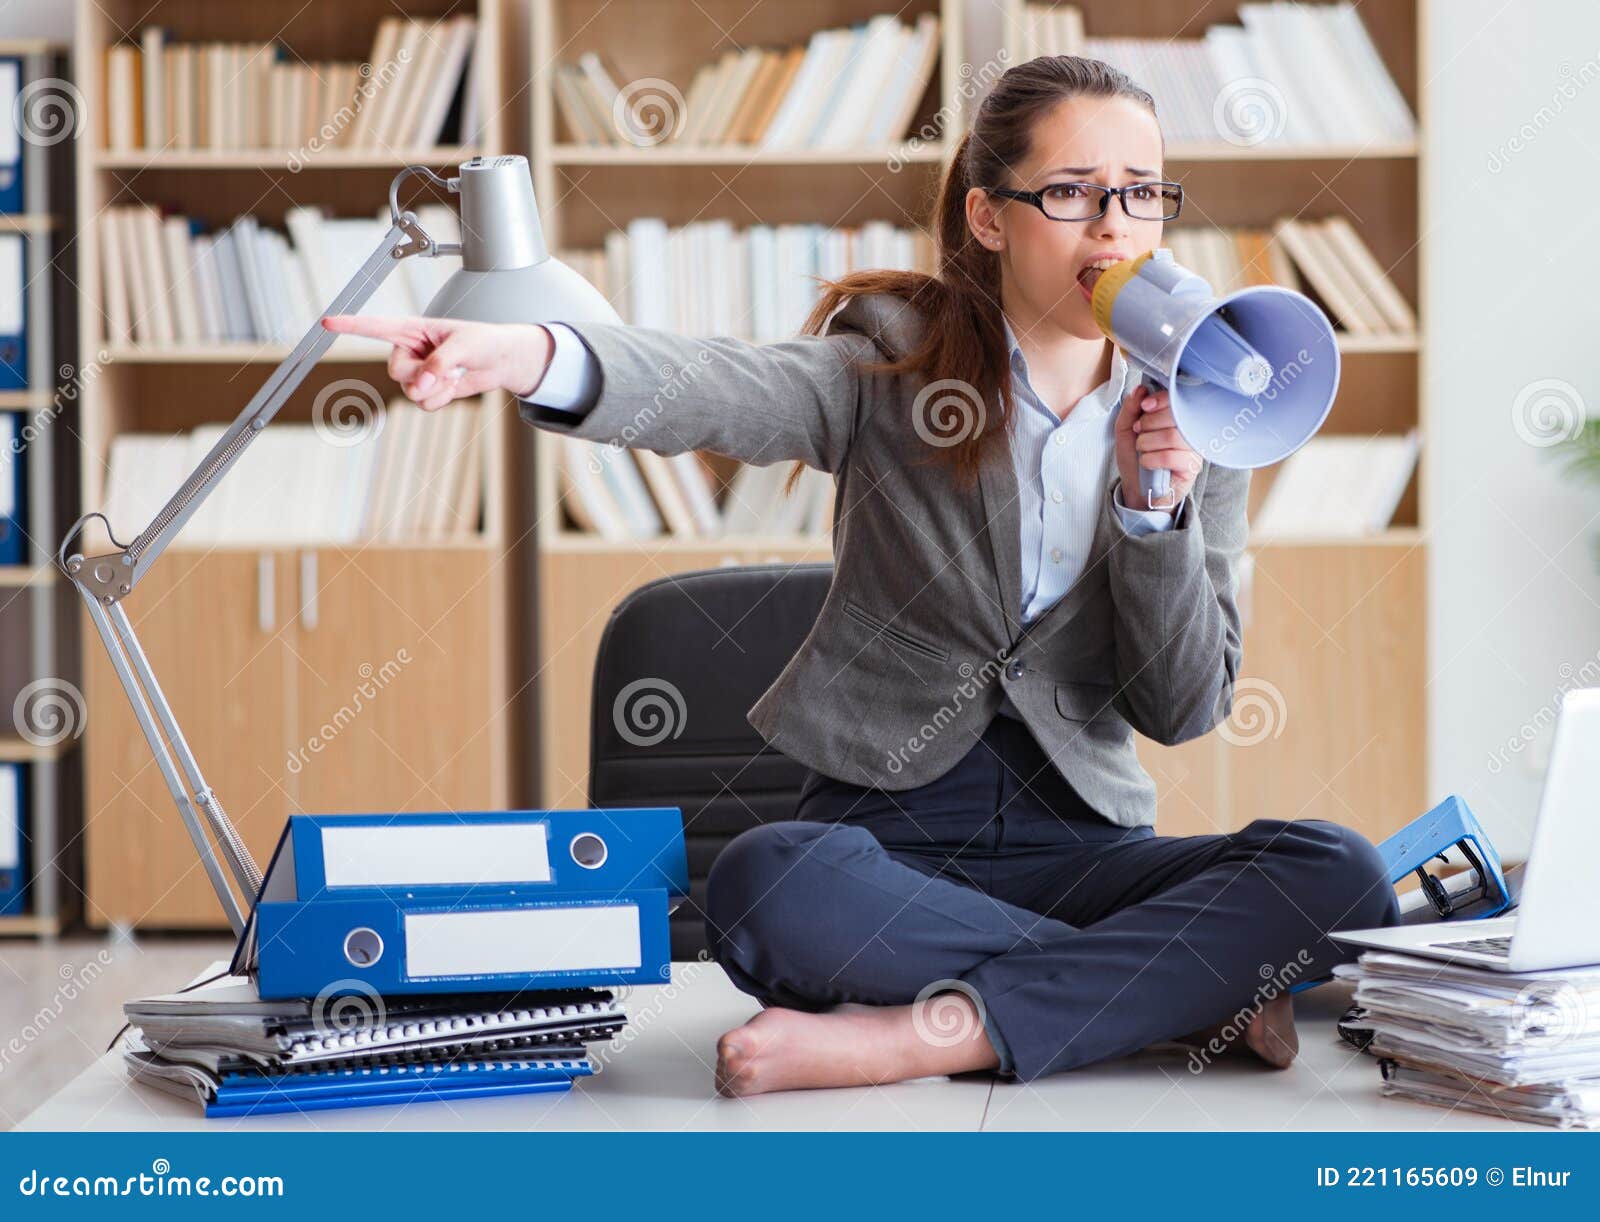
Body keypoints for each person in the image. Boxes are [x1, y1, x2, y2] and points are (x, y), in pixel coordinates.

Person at [323, 54, 1399, 1098]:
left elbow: (1184, 707)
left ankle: (928, 1035)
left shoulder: (1204, 409)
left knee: (1341, 873)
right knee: (763, 885)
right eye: (1071, 191)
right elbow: (721, 386)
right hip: (884, 843)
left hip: (1083, 841)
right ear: (989, 216)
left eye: (1141, 194)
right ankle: (1165, 992)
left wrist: (1152, 508)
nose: (1114, 225)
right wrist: (531, 355)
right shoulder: (896, 359)